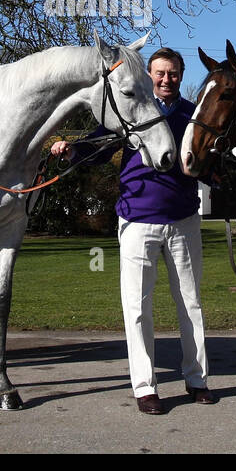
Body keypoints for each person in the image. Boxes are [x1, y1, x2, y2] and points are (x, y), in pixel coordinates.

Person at [52, 46, 216, 415]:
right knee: (137, 308)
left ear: (180, 74)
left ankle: (197, 380)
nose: (165, 79)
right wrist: (71, 151)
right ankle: (145, 387)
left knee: (190, 304)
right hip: (138, 219)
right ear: (149, 76)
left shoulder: (193, 115)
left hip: (184, 221)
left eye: (172, 73)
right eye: (159, 73)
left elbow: (207, 162)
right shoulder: (133, 107)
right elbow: (98, 144)